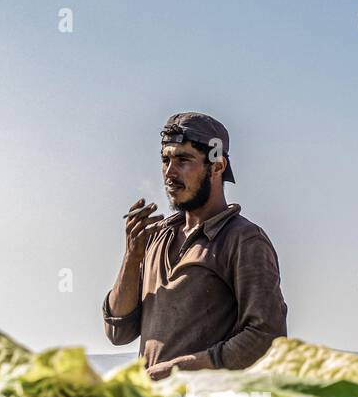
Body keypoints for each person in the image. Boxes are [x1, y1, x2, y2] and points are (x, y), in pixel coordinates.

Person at [103, 112, 288, 379]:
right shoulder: (155, 238)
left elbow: (267, 338)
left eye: (183, 160)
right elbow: (118, 333)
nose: (169, 172)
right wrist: (132, 258)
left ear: (217, 166)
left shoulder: (244, 240)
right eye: (165, 160)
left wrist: (180, 370)